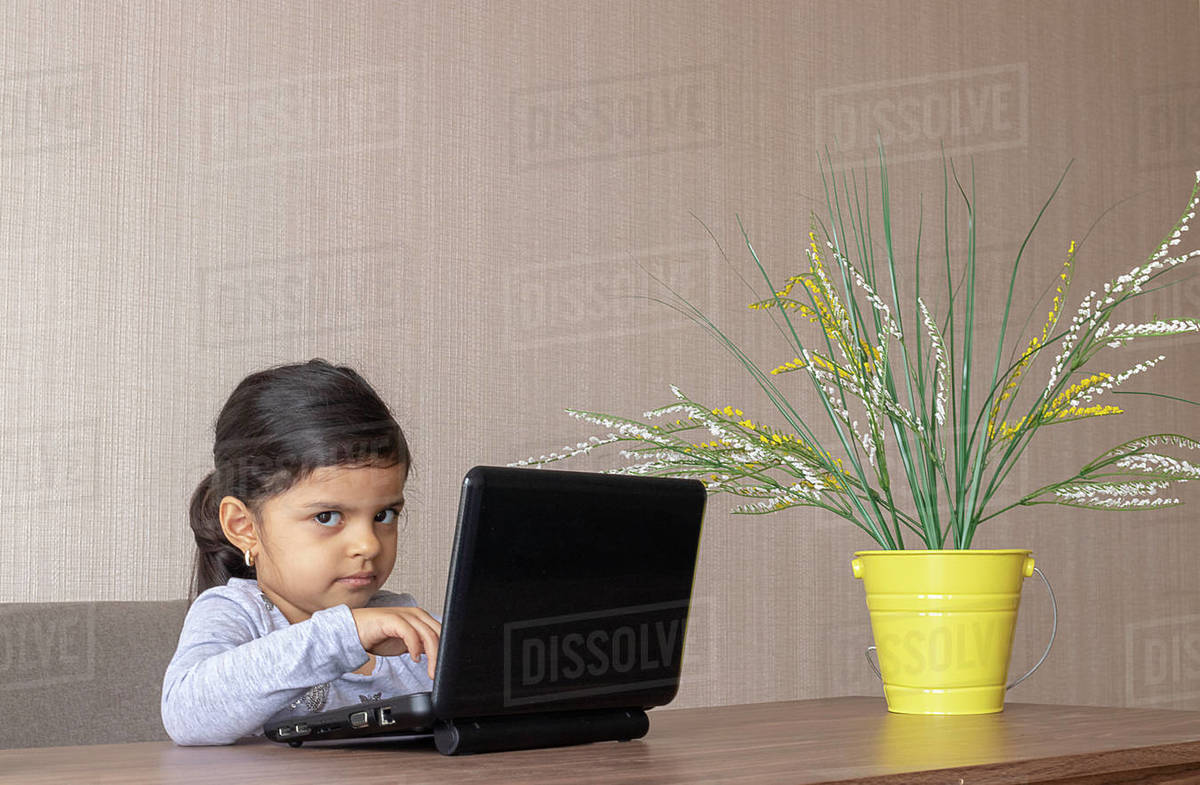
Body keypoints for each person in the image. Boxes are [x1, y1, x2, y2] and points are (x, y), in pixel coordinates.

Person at [161, 358, 442, 746]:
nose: (369, 544)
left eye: (384, 514)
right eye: (327, 516)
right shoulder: (238, 615)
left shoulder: (408, 624)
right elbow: (186, 714)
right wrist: (345, 635)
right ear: (245, 528)